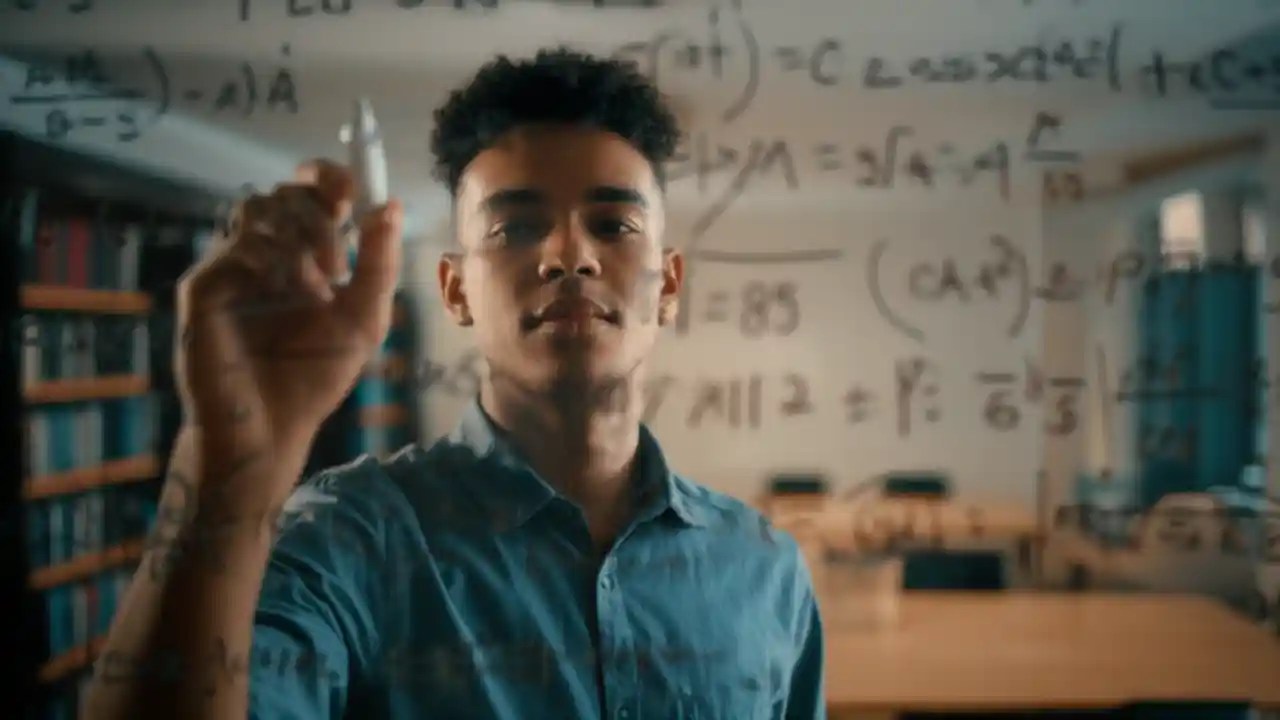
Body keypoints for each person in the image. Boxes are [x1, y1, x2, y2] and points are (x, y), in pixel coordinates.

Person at [86, 47, 824, 720]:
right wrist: (230, 460)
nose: (569, 255)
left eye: (614, 226)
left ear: (669, 283)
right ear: (455, 290)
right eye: (515, 229)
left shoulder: (765, 569)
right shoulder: (348, 540)